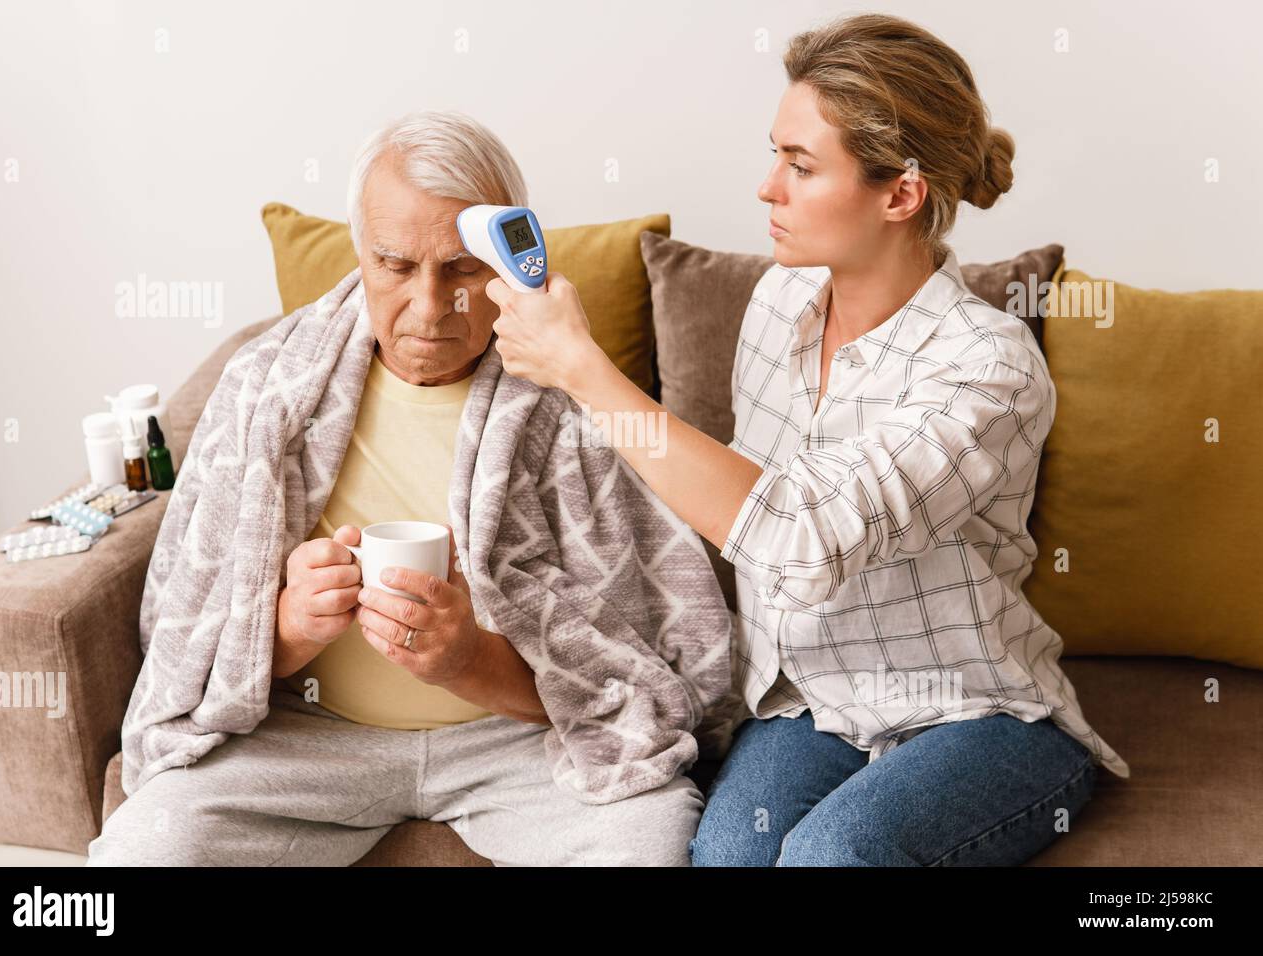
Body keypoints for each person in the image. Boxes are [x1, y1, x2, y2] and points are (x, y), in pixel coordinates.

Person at [487, 13, 1130, 867]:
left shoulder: (989, 368)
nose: (766, 188)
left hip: (973, 709)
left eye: (800, 165)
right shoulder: (779, 304)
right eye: (775, 155)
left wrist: (584, 369)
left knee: (833, 857)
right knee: (726, 858)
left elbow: (796, 537)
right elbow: (730, 497)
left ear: (899, 194)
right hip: (812, 701)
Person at [87, 110, 726, 867]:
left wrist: (470, 662)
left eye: (461, 270)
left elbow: (641, 676)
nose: (429, 308)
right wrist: (288, 629)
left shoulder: (575, 402)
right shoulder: (268, 390)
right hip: (308, 737)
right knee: (142, 855)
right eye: (395, 265)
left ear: (505, 259)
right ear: (360, 251)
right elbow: (189, 634)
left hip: (521, 747)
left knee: (651, 845)